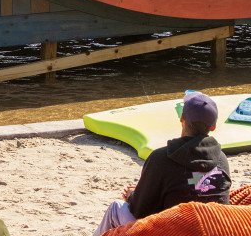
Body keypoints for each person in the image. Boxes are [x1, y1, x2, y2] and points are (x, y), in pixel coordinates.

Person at [92, 91, 231, 235]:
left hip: (171, 232)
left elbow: (140, 209)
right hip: (212, 231)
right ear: (213, 126)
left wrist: (132, 195)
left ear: (181, 117)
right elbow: (197, 186)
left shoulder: (161, 159)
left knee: (116, 208)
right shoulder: (222, 160)